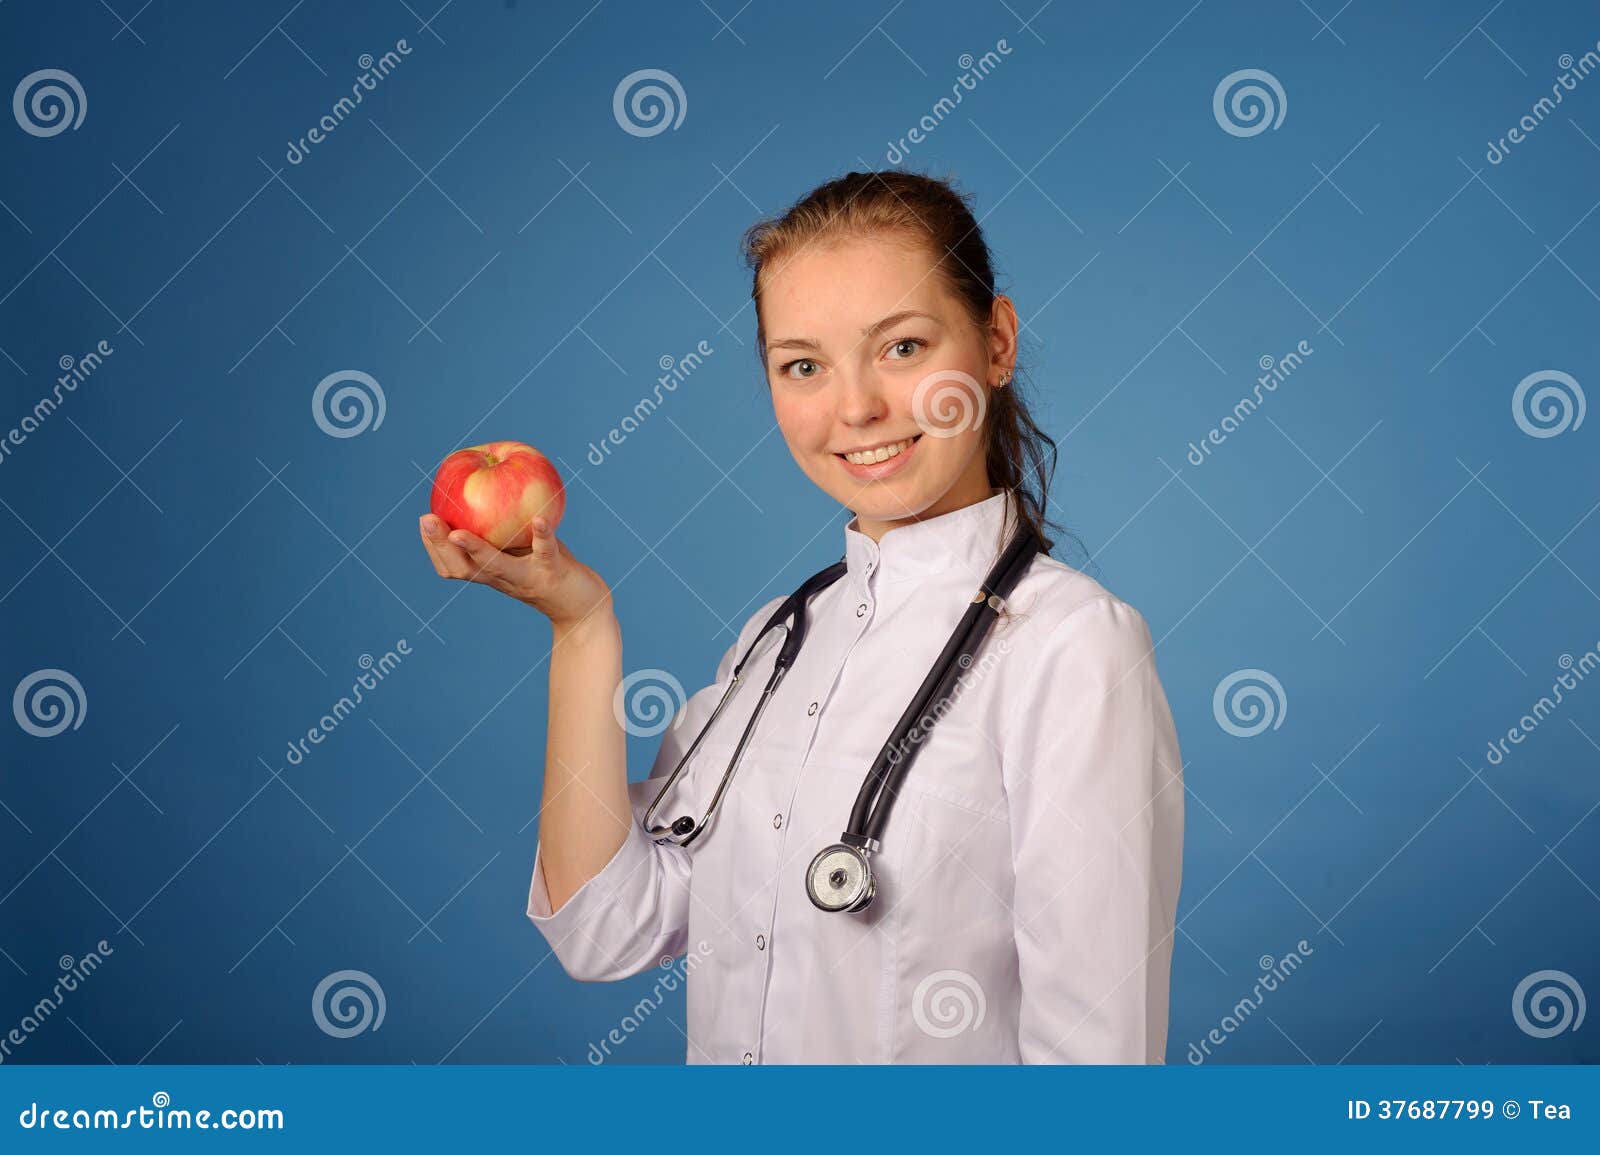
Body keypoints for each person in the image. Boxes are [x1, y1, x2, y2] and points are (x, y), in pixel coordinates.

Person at [417, 169, 1184, 1064]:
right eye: (804, 366)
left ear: (997, 343)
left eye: (902, 346)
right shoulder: (777, 640)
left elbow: (1096, 1064)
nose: (855, 407)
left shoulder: (1071, 646)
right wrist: (582, 629)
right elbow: (606, 927)